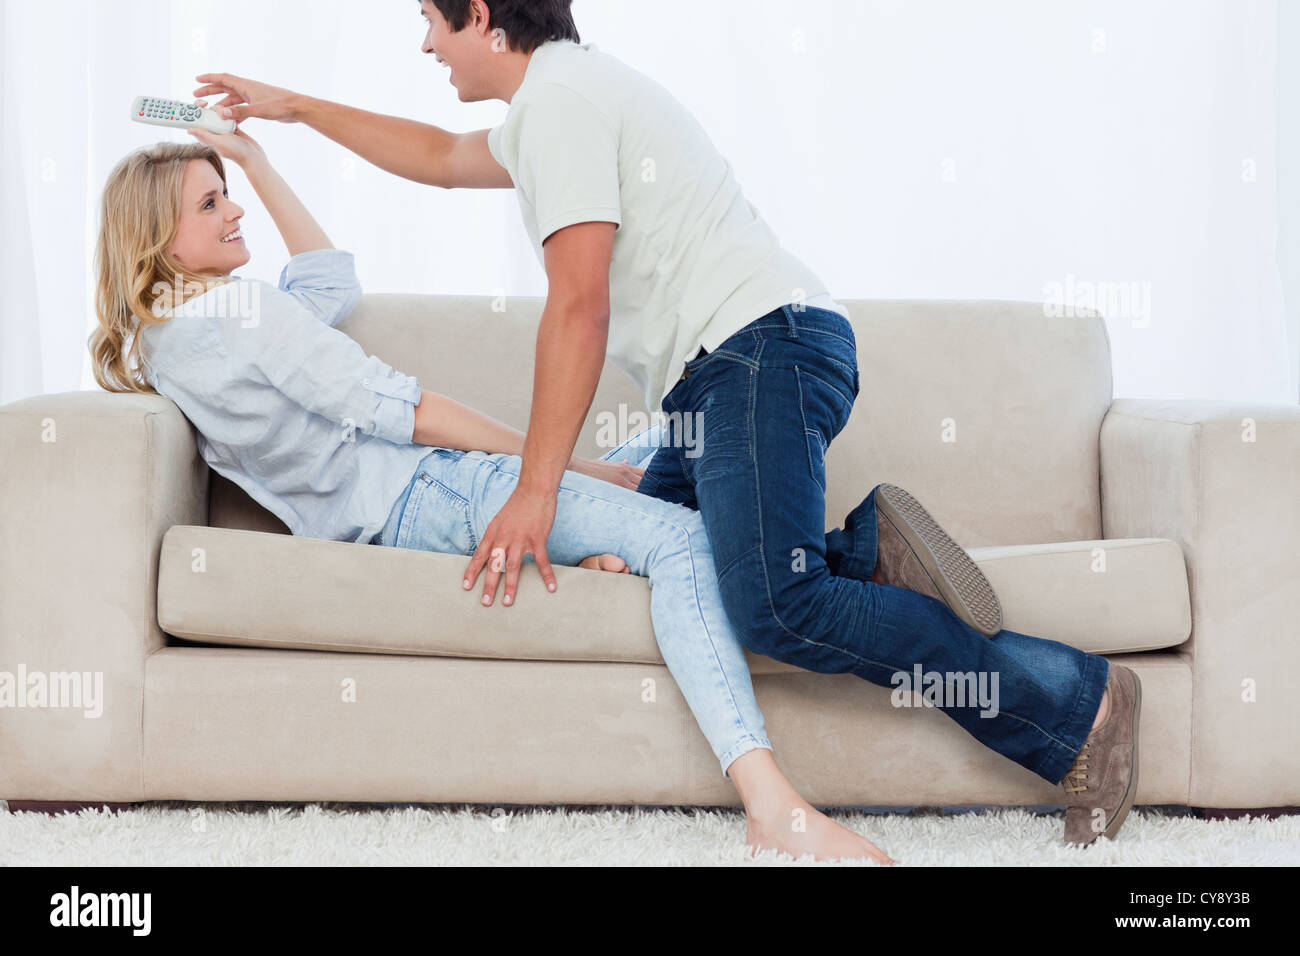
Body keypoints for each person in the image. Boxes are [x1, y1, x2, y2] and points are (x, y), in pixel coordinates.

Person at [188, 0, 1140, 846]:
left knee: (778, 604)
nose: (425, 44)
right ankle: (865, 550)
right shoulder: (553, 105)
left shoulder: (559, 106)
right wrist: (296, 108)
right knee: (694, 568)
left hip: (758, 350)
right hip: (731, 369)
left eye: (431, 22)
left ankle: (1078, 707)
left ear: (480, 15)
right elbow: (438, 159)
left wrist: (535, 489)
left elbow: (580, 307)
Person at [88, 135, 902, 864]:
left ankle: (816, 557)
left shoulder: (171, 340)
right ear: (159, 237)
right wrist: (564, 469)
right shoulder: (246, 316)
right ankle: (773, 800)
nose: (233, 210)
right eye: (211, 201)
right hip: (437, 487)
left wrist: (257, 162)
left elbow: (328, 283)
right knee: (689, 528)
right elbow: (399, 408)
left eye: (228, 189)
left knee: (677, 438)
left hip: (396, 512)